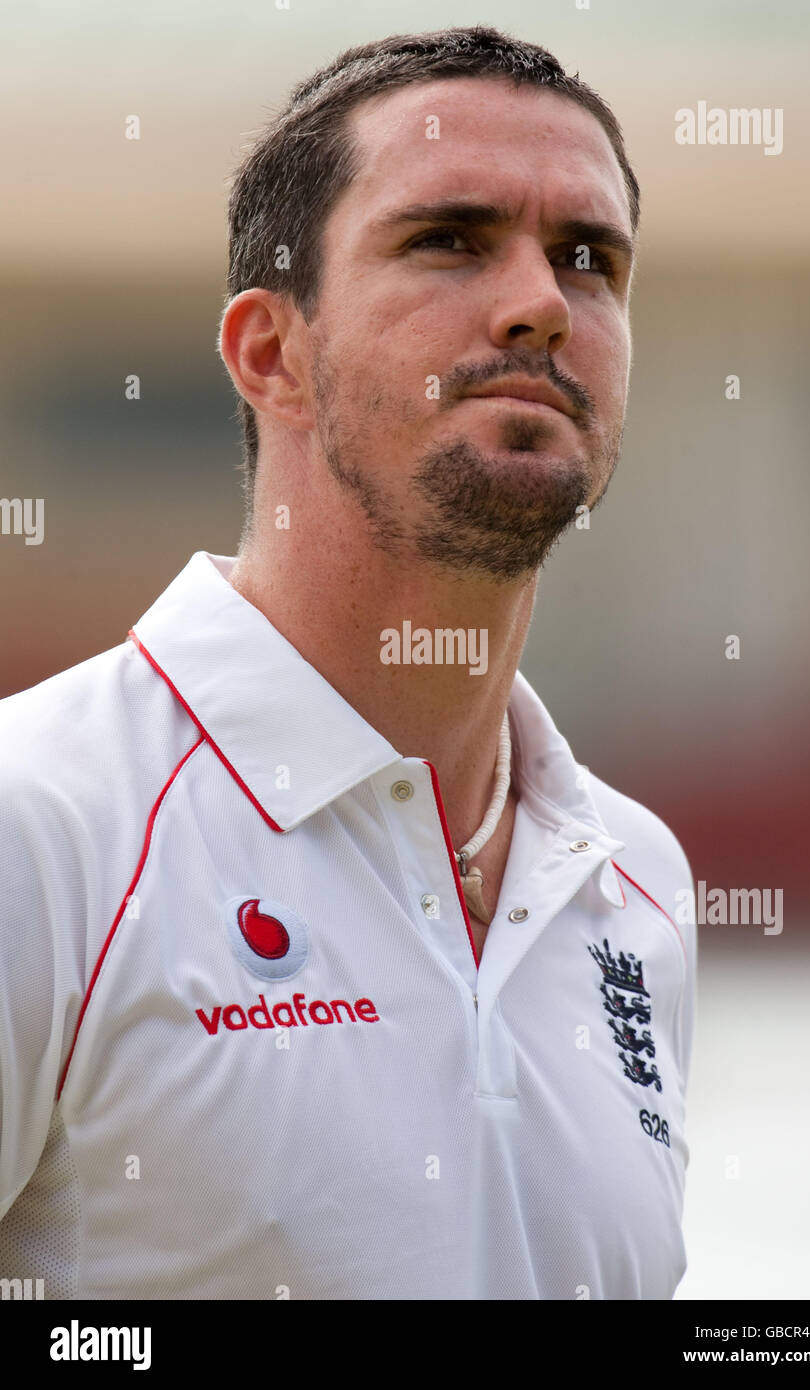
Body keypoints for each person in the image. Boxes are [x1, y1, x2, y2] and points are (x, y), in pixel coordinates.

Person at [0, 25, 696, 1300]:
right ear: (273, 354)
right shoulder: (39, 823)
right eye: (450, 239)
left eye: (588, 258)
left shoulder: (636, 882)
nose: (543, 299)